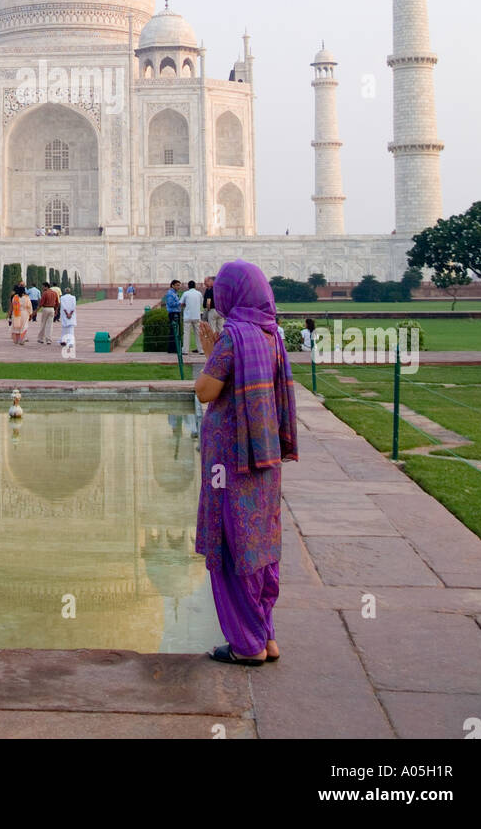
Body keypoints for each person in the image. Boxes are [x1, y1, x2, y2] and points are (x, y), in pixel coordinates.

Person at [195, 260, 298, 665]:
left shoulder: (234, 337)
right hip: (262, 454)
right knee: (258, 542)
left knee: (230, 541)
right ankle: (265, 636)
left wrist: (209, 354)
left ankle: (247, 644)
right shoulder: (271, 335)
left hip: (229, 459)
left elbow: (206, 390)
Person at [180, 279, 204, 354]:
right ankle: (201, 350)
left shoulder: (186, 293)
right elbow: (201, 303)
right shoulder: (199, 293)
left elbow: (181, 303)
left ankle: (185, 350)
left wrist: (185, 305)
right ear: (195, 286)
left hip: (188, 316)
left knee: (186, 334)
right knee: (198, 334)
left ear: (188, 286)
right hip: (197, 316)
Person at [165, 279, 182, 354]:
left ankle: (174, 348)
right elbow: (170, 303)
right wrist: (180, 303)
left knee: (175, 331)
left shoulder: (174, 293)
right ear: (172, 285)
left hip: (176, 313)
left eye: (179, 285)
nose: (179, 287)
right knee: (173, 331)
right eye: (177, 285)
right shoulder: (170, 293)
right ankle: (172, 349)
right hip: (173, 313)